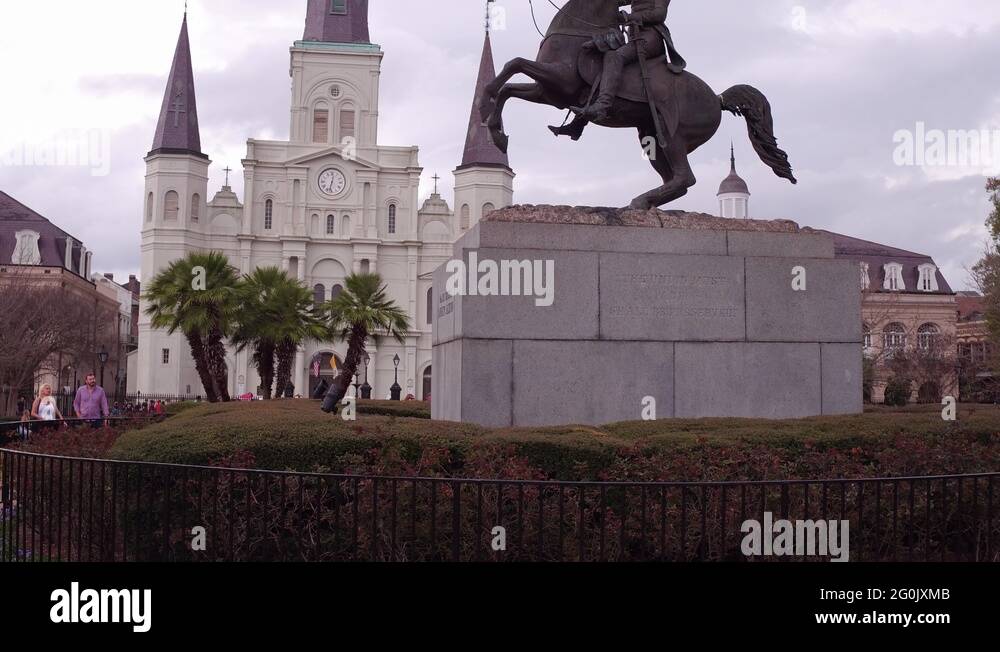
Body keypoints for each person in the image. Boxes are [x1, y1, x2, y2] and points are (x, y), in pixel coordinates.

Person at [572, 0, 686, 123]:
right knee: (601, 55)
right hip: (634, 38)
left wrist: (629, 17)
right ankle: (578, 123)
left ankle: (602, 105)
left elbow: (659, 14)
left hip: (650, 38)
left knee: (614, 57)